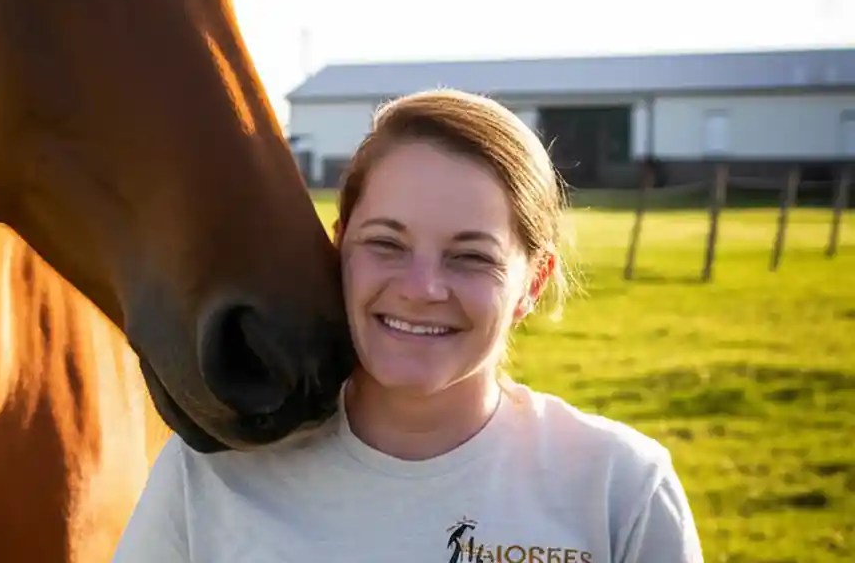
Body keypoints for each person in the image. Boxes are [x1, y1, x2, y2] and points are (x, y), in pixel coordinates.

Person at [112, 88, 703, 563]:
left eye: (471, 256)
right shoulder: (212, 474)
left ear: (534, 281)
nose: (422, 289)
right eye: (386, 244)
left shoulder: (619, 489)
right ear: (341, 244)